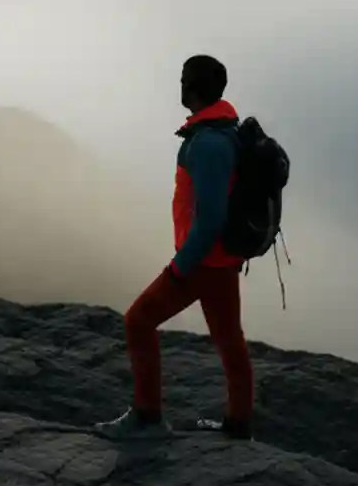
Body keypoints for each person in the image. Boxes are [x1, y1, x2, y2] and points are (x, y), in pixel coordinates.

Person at [94, 54, 254, 440]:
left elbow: (211, 217)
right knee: (230, 341)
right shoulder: (224, 131)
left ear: (194, 87)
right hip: (222, 261)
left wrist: (182, 266)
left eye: (184, 79)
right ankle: (238, 426)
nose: (179, 86)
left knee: (138, 321)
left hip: (202, 262)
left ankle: (147, 417)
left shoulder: (208, 143)